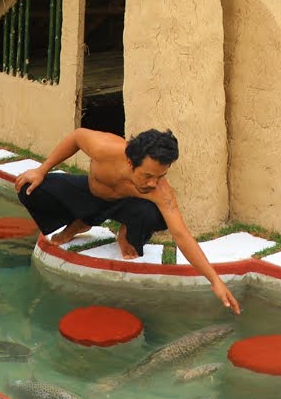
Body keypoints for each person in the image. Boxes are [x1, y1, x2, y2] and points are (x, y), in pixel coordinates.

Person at [15, 127, 241, 314]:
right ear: (131, 164)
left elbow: (181, 235)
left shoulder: (160, 191)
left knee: (155, 214)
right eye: (148, 175)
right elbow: (76, 136)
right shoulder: (104, 149)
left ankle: (125, 231)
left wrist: (214, 280)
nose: (154, 183)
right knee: (29, 188)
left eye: (160, 176)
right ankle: (83, 220)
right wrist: (41, 170)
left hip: (126, 206)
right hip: (91, 194)